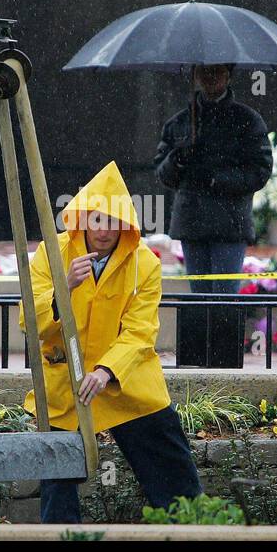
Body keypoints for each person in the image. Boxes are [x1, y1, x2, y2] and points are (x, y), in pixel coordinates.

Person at [22, 161, 202, 523]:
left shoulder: (145, 265)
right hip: (66, 385)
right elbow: (30, 320)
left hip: (127, 386)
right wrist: (65, 286)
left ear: (127, 225)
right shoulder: (51, 253)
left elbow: (140, 331)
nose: (105, 230)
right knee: (58, 491)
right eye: (98, 219)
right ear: (84, 217)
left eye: (114, 221)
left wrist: (106, 371)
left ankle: (193, 531)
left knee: (176, 482)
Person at [154, 63, 273, 293]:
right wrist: (178, 158)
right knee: (199, 300)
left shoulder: (246, 120)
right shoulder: (180, 123)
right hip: (192, 223)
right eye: (205, 72)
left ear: (228, 75)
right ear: (196, 75)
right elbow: (163, 173)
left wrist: (217, 179)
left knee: (224, 301)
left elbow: (260, 170)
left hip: (229, 225)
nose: (211, 77)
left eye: (217, 71)